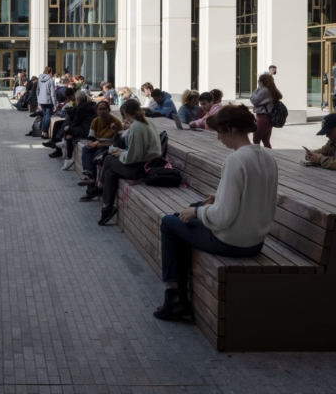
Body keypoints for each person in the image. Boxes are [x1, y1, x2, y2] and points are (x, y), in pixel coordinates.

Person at [155, 104, 278, 321]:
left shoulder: (235, 160)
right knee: (183, 217)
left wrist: (198, 211)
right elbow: (254, 198)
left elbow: (223, 217)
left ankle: (174, 296)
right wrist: (217, 198)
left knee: (169, 223)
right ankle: (177, 297)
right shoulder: (267, 157)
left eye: (220, 133)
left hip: (231, 240)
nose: (219, 138)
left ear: (230, 130)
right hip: (256, 240)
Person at [90, 98, 162, 226]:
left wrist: (119, 154)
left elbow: (134, 157)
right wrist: (120, 152)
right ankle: (107, 208)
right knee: (110, 173)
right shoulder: (148, 122)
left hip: (141, 170)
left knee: (108, 158)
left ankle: (99, 186)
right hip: (148, 165)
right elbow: (137, 152)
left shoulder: (136, 128)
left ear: (126, 113)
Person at [78, 99, 122, 183]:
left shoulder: (116, 122)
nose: (102, 111)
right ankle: (88, 174)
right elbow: (91, 137)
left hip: (110, 148)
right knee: (85, 149)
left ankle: (92, 186)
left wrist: (105, 143)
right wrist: (90, 143)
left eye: (104, 109)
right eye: (100, 109)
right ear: (97, 110)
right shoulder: (95, 121)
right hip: (98, 145)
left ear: (109, 110)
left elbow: (119, 143)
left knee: (96, 155)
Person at [56, 91, 97, 169]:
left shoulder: (81, 108)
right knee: (69, 131)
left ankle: (69, 158)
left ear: (77, 99)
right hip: (88, 128)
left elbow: (76, 122)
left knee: (68, 130)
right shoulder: (91, 105)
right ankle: (68, 157)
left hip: (87, 131)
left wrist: (68, 128)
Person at [250, 73, 283, 148]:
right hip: (268, 118)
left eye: (259, 81)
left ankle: (257, 157)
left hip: (263, 118)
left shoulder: (264, 90)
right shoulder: (270, 90)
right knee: (266, 140)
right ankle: (269, 156)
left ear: (261, 82)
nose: (258, 82)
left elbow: (253, 100)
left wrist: (257, 89)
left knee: (256, 140)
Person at [35, 66, 57, 138]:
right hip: (49, 100)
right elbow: (52, 93)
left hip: (41, 100)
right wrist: (55, 104)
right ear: (49, 72)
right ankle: (44, 132)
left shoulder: (39, 79)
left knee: (44, 116)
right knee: (47, 116)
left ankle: (43, 132)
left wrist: (38, 101)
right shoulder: (50, 80)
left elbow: (37, 91)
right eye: (51, 72)